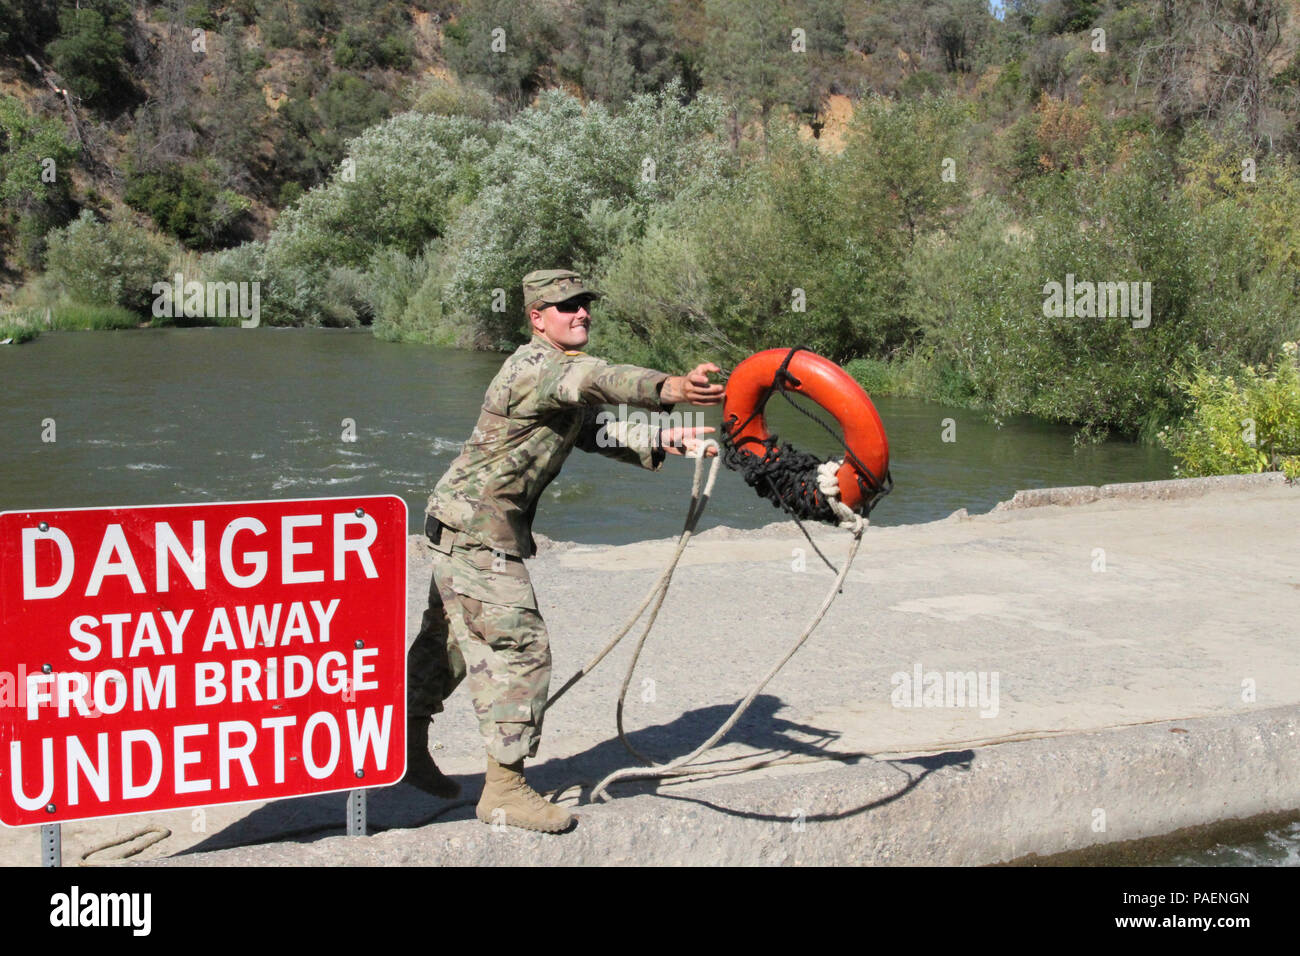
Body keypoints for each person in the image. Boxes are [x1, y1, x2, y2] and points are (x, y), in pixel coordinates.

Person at [406, 268, 725, 832]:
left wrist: (663, 439)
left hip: (461, 522)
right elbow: (604, 379)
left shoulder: (560, 378)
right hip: (477, 530)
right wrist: (672, 389)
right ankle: (503, 791)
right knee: (521, 647)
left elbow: (593, 429)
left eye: (583, 304)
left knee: (452, 643)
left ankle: (402, 746)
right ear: (536, 318)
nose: (580, 313)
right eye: (565, 306)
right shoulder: (539, 368)